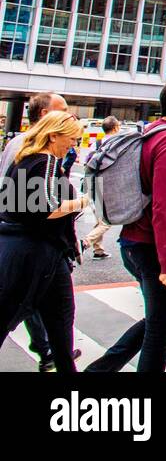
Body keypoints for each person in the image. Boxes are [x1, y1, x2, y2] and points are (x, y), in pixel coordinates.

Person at [85, 77, 166, 373]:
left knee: (158, 319)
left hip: (134, 241)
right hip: (154, 247)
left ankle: (99, 370)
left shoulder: (151, 132)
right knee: (160, 333)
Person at [0, 111, 91, 373]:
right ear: (53, 135)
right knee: (58, 321)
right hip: (41, 253)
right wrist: (81, 202)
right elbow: (47, 209)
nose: (74, 144)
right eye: (72, 139)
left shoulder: (24, 159)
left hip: (23, 249)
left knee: (56, 320)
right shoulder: (47, 161)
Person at [82, 115, 125, 261]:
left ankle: (98, 250)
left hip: (92, 182)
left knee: (100, 218)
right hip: (107, 185)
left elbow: (86, 161)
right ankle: (85, 242)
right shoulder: (117, 143)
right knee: (108, 220)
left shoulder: (97, 143)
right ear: (115, 128)